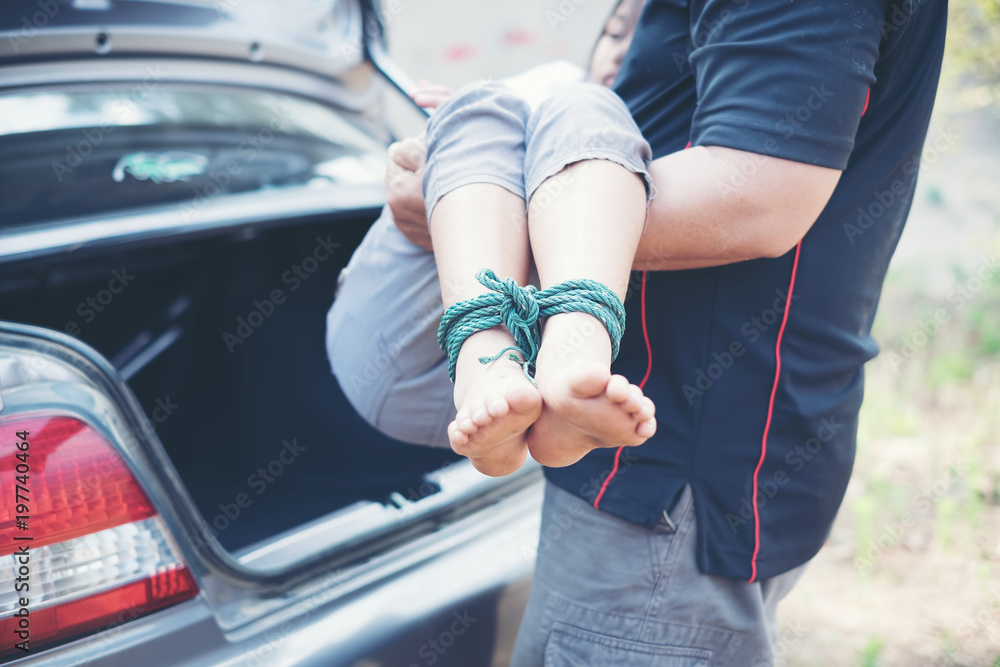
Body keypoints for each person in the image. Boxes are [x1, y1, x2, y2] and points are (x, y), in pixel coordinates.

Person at [328, 0, 949, 663]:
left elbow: (758, 196)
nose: (630, 58)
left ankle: (537, 358)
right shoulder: (553, 107)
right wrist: (473, 176)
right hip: (569, 415)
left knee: (574, 115)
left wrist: (491, 204)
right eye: (625, 31)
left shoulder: (587, 130)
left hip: (675, 466)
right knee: (504, 112)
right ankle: (500, 357)